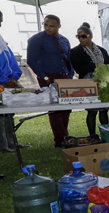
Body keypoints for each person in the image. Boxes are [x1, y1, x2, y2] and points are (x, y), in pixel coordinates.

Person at [27, 14, 74, 147]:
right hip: (48, 77)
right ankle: (60, 140)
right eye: (46, 25)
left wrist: (70, 74)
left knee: (66, 107)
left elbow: (68, 57)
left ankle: (65, 136)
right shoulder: (36, 40)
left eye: (52, 26)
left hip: (64, 76)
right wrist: (44, 77)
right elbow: (31, 60)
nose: (48, 28)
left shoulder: (64, 40)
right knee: (55, 109)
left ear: (59, 26)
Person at [70, 22, 109, 136]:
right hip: (87, 85)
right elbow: (78, 69)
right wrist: (95, 67)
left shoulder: (102, 50)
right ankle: (92, 136)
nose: (81, 39)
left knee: (104, 111)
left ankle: (106, 134)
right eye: (78, 36)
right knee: (92, 112)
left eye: (83, 36)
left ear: (90, 36)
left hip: (103, 84)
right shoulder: (75, 51)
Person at [0, 9, 24, 154]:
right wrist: (3, 79)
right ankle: (3, 145)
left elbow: (10, 60)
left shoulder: (1, 39)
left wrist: (14, 77)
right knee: (1, 115)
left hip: (8, 81)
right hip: (2, 82)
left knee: (9, 112)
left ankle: (11, 141)